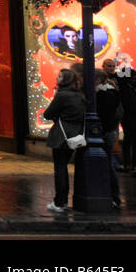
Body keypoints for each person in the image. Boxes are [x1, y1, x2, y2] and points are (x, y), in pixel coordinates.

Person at [43, 68, 86, 211]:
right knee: (64, 167)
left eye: (60, 76)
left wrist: (57, 115)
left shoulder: (62, 95)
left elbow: (48, 114)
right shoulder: (79, 95)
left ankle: (60, 201)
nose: (57, 78)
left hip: (62, 136)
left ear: (65, 80)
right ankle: (63, 201)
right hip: (75, 134)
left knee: (60, 169)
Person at [94, 69, 122, 207]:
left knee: (108, 163)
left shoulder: (105, 94)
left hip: (105, 132)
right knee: (108, 163)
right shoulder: (109, 92)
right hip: (107, 131)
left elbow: (105, 113)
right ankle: (112, 196)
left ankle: (114, 196)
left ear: (98, 80)